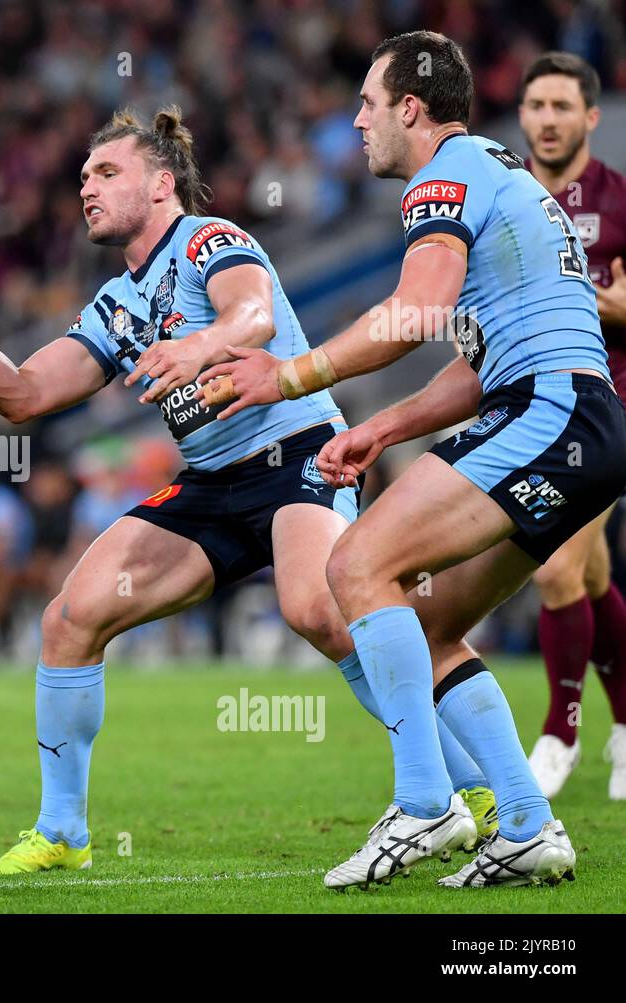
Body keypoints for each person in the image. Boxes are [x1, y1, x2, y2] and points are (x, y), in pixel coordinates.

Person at [0, 106, 493, 877]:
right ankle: (62, 831)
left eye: (107, 173)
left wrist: (200, 343)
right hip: (212, 483)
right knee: (70, 618)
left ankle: (464, 791)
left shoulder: (211, 239)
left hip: (298, 452)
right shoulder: (115, 303)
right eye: (82, 177)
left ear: (163, 183)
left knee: (316, 607)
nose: (87, 188)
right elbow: (25, 393)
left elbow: (256, 314)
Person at [200, 32, 624, 888]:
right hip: (569, 413)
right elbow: (475, 360)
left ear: (409, 108)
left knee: (356, 564)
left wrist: (292, 373)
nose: (355, 121)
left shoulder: (445, 175)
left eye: (366, 103)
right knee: (425, 624)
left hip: (550, 409)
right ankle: (528, 823)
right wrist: (384, 427)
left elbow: (414, 310)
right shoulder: (499, 175)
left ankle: (426, 803)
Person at [515, 52, 626, 800]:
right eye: (536, 105)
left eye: (562, 106)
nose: (548, 119)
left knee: (555, 567)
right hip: (525, 400)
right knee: (589, 573)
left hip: (610, 399)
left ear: (590, 115)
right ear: (520, 115)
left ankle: (561, 731)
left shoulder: (618, 201)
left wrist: (550, 295)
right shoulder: (504, 193)